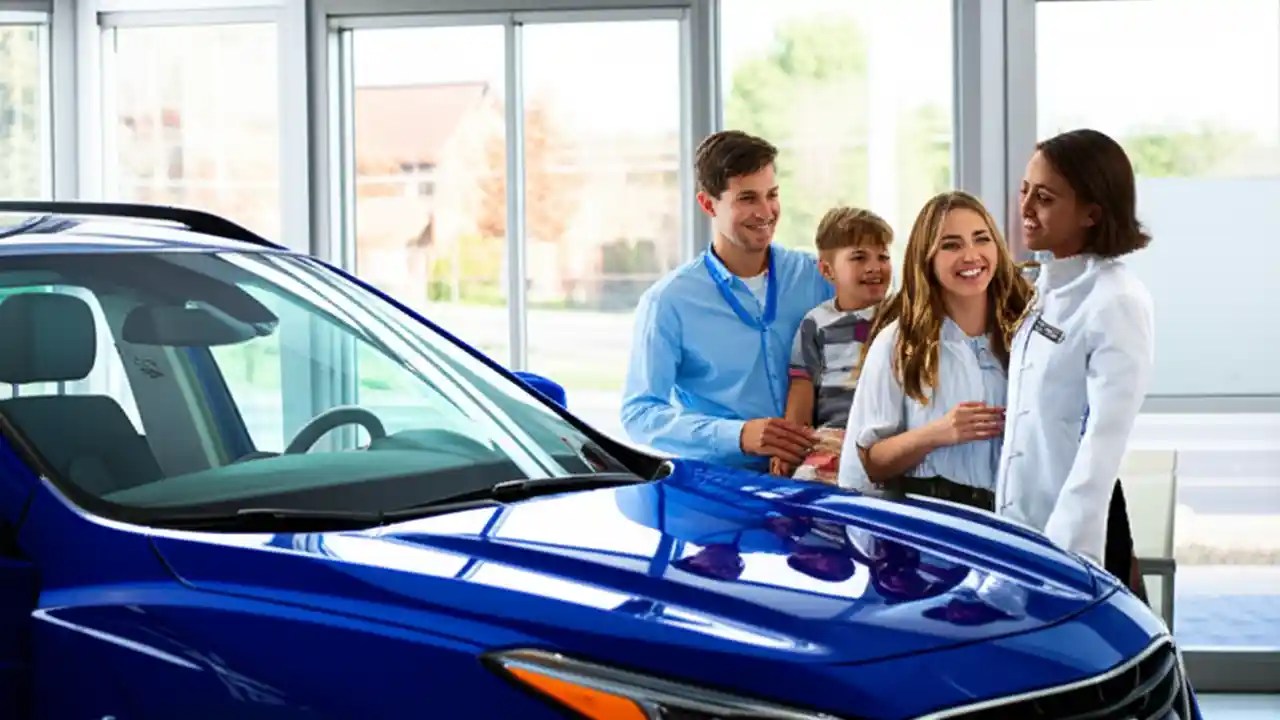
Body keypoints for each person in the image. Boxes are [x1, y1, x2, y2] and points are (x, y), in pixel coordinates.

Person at [996, 128, 1153, 599]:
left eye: (1043, 198)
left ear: (1092, 213)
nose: (1024, 209)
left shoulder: (1116, 300)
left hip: (1076, 537)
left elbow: (1103, 441)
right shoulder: (1048, 286)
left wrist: (1066, 556)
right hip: (1021, 526)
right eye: (1024, 191)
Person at [621, 130, 833, 471]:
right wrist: (738, 435)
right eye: (748, 198)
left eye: (772, 195)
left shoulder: (817, 277)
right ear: (708, 204)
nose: (766, 212)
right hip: (719, 488)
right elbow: (640, 413)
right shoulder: (668, 303)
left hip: (817, 479)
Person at [836, 191, 1034, 511]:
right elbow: (870, 463)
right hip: (935, 519)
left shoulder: (1030, 335)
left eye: (981, 239)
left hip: (1021, 516)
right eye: (951, 245)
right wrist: (937, 433)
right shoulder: (898, 343)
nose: (971, 255)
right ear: (926, 258)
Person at [772, 207, 894, 482]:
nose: (875, 267)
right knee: (806, 484)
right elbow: (802, 391)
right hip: (835, 435)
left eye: (883, 257)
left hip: (889, 434)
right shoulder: (816, 323)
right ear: (828, 270)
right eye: (859, 257)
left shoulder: (903, 316)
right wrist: (788, 448)